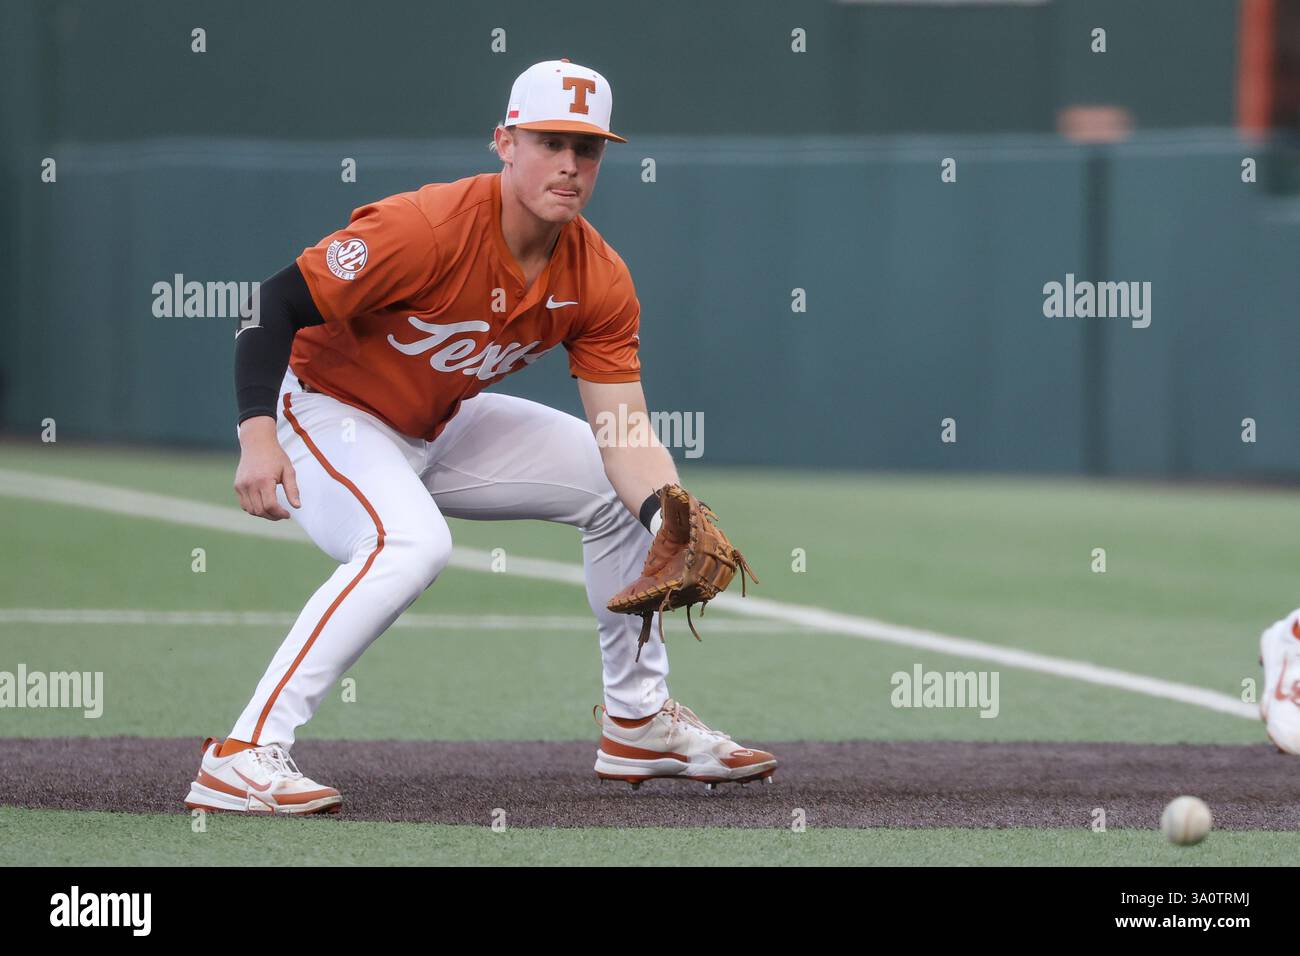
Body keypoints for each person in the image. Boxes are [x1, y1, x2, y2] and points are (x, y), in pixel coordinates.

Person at [182, 59, 776, 814]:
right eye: (549, 141)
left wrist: (666, 515)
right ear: (504, 140)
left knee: (614, 492)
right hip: (326, 409)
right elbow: (271, 304)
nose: (568, 164)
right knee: (411, 544)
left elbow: (623, 430)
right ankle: (243, 752)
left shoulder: (598, 277)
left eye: (586, 148)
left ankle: (638, 722)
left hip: (437, 421)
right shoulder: (424, 229)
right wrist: (257, 433)